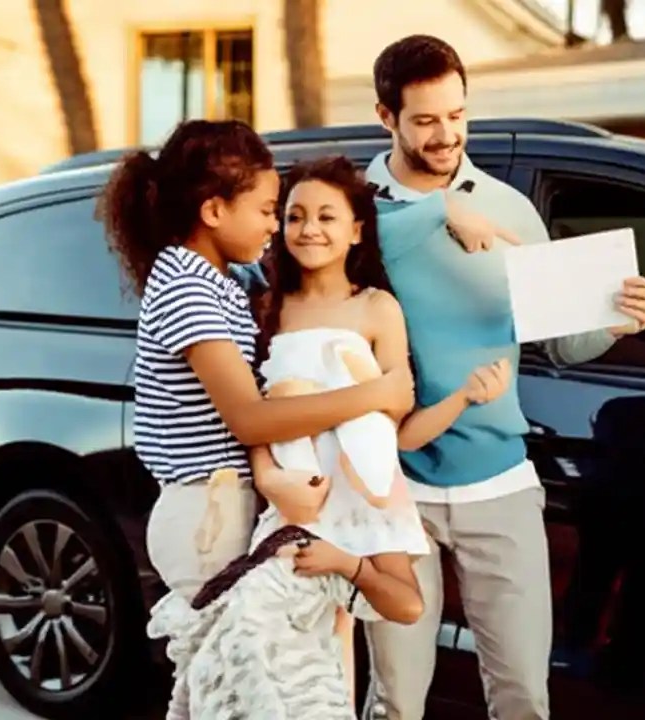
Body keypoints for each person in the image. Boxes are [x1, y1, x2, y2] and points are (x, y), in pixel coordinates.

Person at [142, 156, 511, 719]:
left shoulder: (377, 309)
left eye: (327, 217)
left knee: (334, 663)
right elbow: (260, 414)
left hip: (360, 497)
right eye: (293, 216)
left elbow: (397, 425)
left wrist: (461, 398)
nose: (308, 229)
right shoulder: (267, 308)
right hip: (289, 509)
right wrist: (270, 477)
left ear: (357, 230)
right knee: (261, 657)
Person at [360, 35, 645, 720]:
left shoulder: (508, 208)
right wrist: (439, 210)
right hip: (394, 489)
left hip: (498, 483)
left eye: (457, 114)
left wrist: (614, 322)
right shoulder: (350, 210)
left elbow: (564, 343)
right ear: (386, 117)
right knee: (396, 701)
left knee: (523, 694)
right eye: (425, 120)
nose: (447, 135)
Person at [99, 119, 412, 711]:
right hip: (208, 513)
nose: (275, 226)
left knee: (245, 691)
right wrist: (378, 393)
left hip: (236, 507)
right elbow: (249, 417)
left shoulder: (219, 279)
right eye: (269, 210)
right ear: (214, 210)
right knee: (253, 695)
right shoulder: (186, 286)